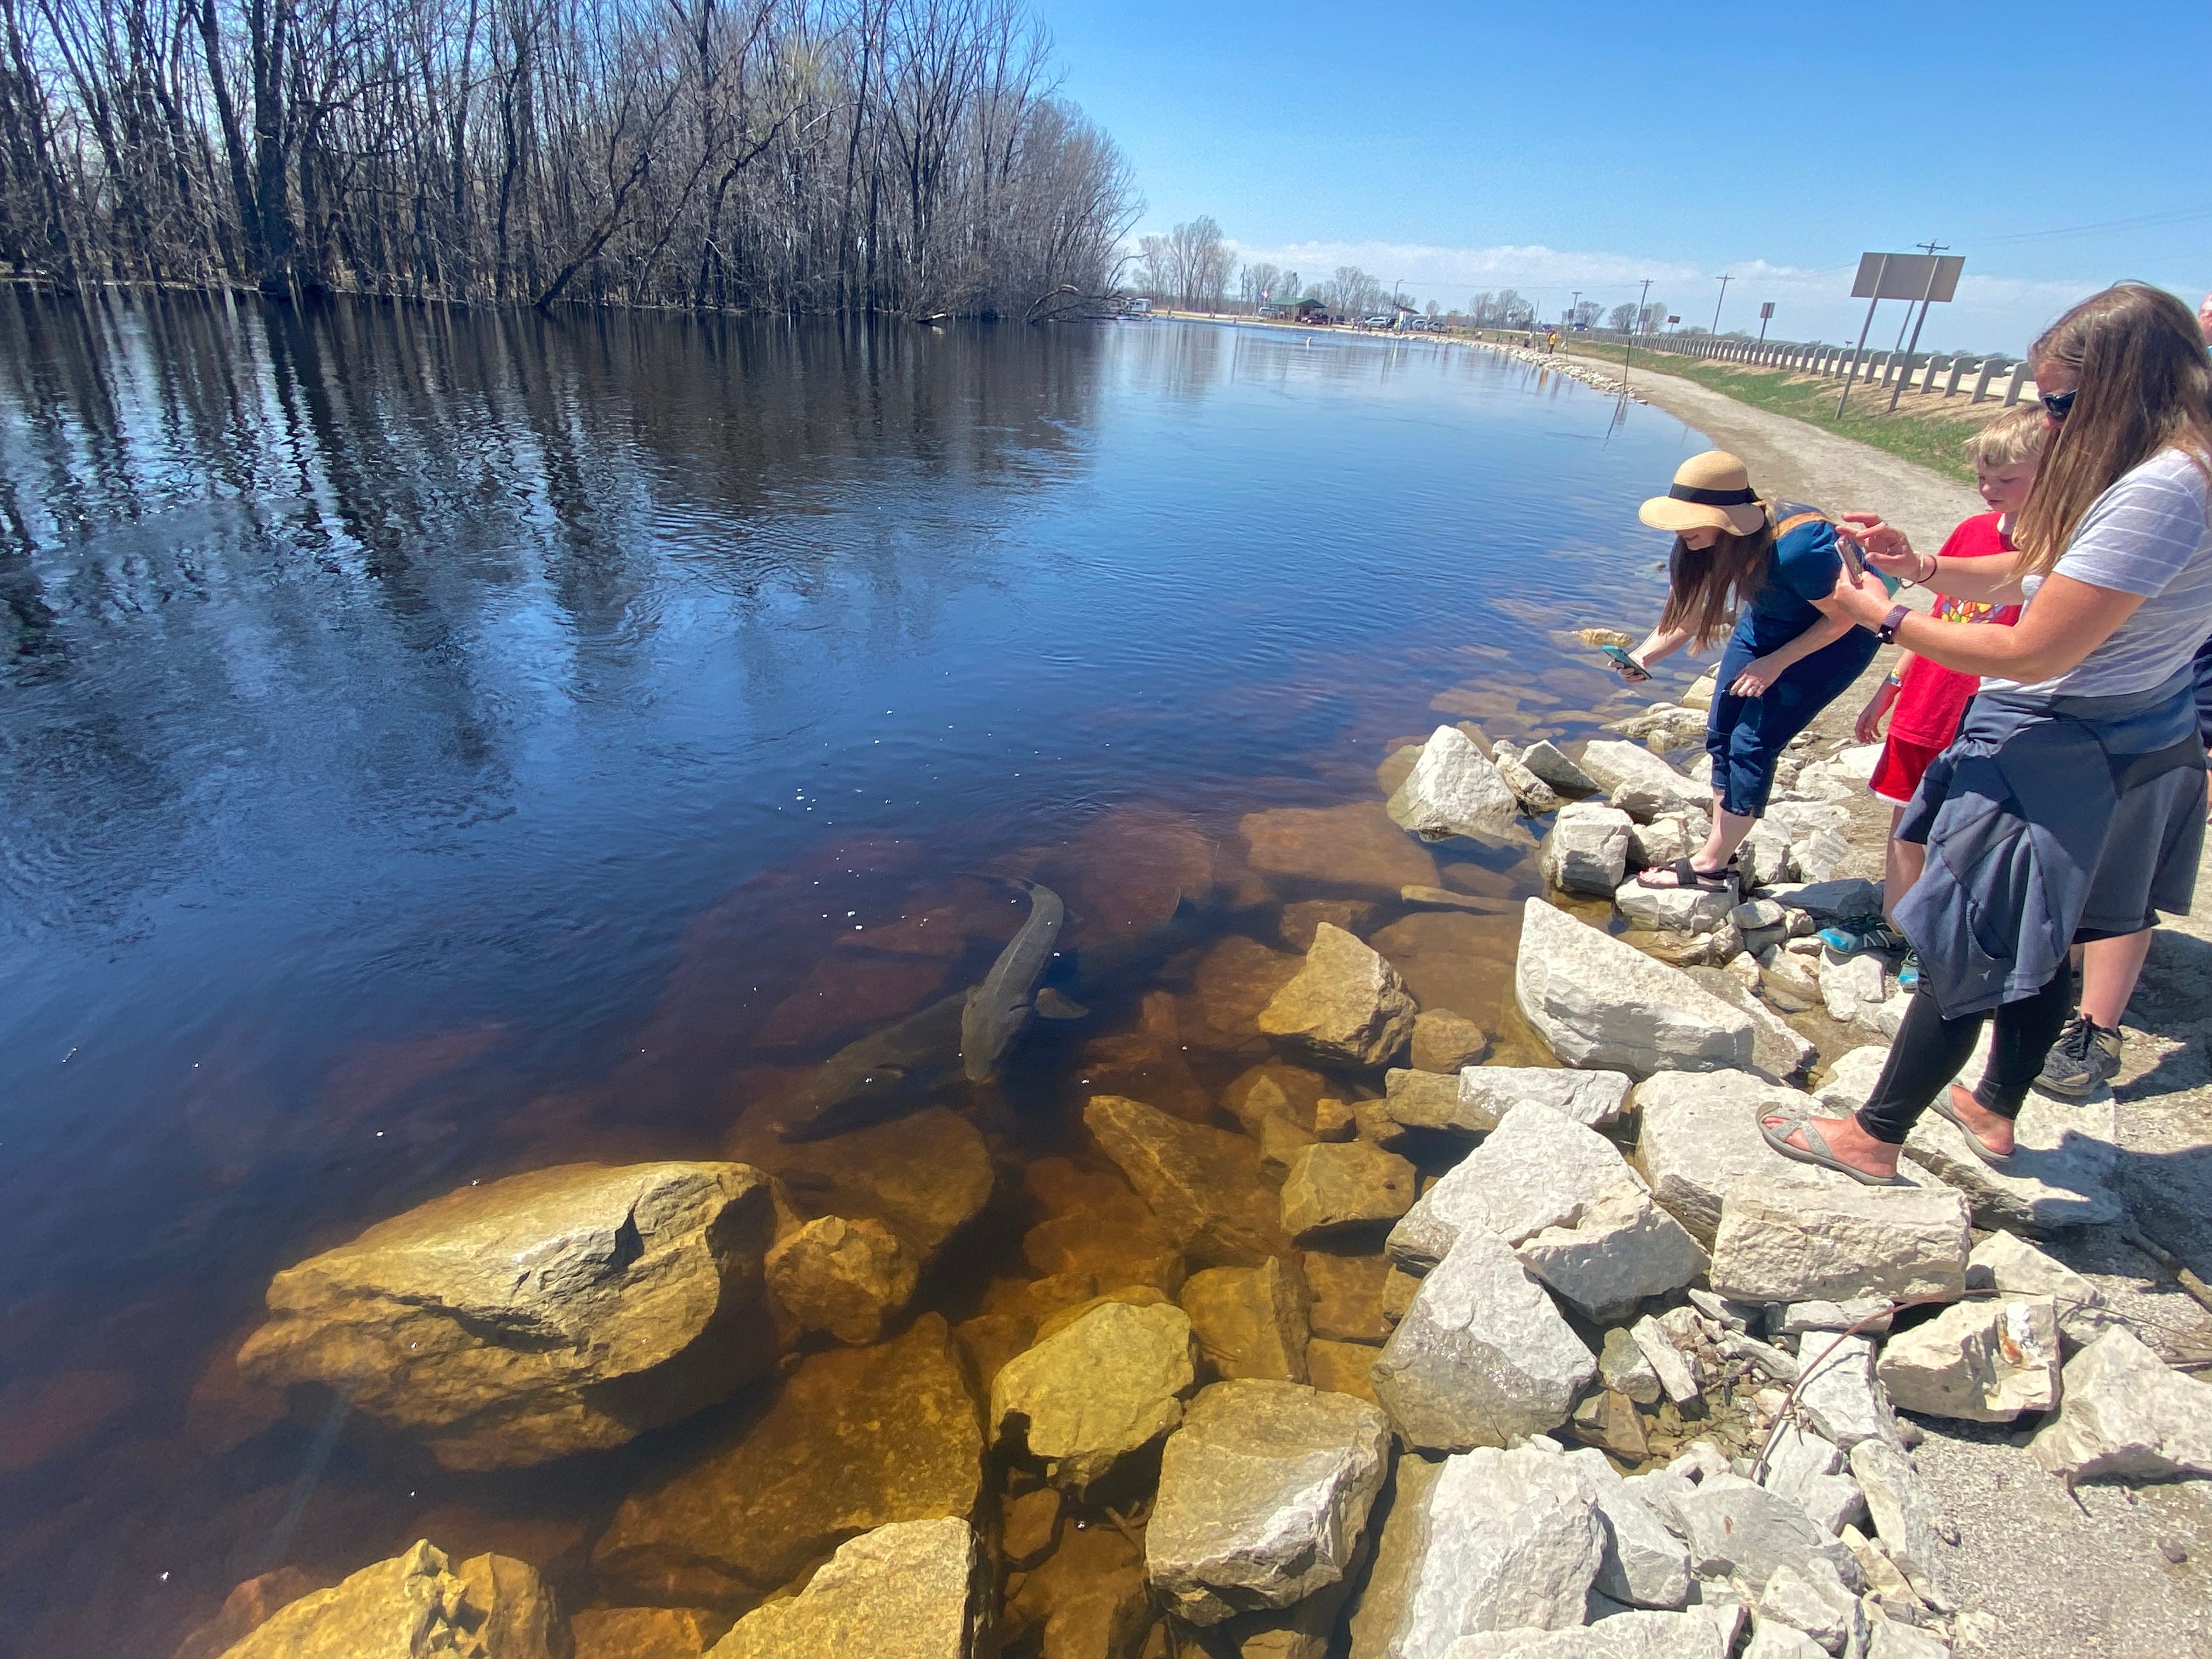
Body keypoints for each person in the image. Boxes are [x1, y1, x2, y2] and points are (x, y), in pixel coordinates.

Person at [1763, 282, 2212, 1182]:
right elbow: (2036, 569)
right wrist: (1923, 566)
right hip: (2133, 734)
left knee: (1963, 933)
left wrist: (1877, 615)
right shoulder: (2172, 467)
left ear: (2122, 386)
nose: (2047, 422)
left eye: (2059, 402)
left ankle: (1872, 1137)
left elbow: (2030, 650)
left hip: (2059, 748)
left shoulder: (2164, 488)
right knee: (2048, 930)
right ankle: (1991, 1103)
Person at [1831, 407, 2046, 983]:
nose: (1989, 490)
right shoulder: (1971, 534)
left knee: (1964, 833)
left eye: (2007, 480)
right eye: (1983, 476)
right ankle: (1897, 926)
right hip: (1928, 697)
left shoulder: (2058, 551)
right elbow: (1942, 612)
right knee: (1907, 821)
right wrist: (1891, 686)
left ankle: (1942, 942)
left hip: (1983, 713)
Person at [1614, 452, 1878, 891]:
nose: (1681, 531)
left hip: (1833, 640)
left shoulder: (1798, 548)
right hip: (1767, 623)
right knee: (1721, 732)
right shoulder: (1701, 541)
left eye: (1690, 521)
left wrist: (1775, 664)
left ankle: (1710, 866)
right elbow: (1690, 616)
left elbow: (1846, 618)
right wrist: (1643, 658)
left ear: (1727, 518)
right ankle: (1723, 845)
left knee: (1752, 743)